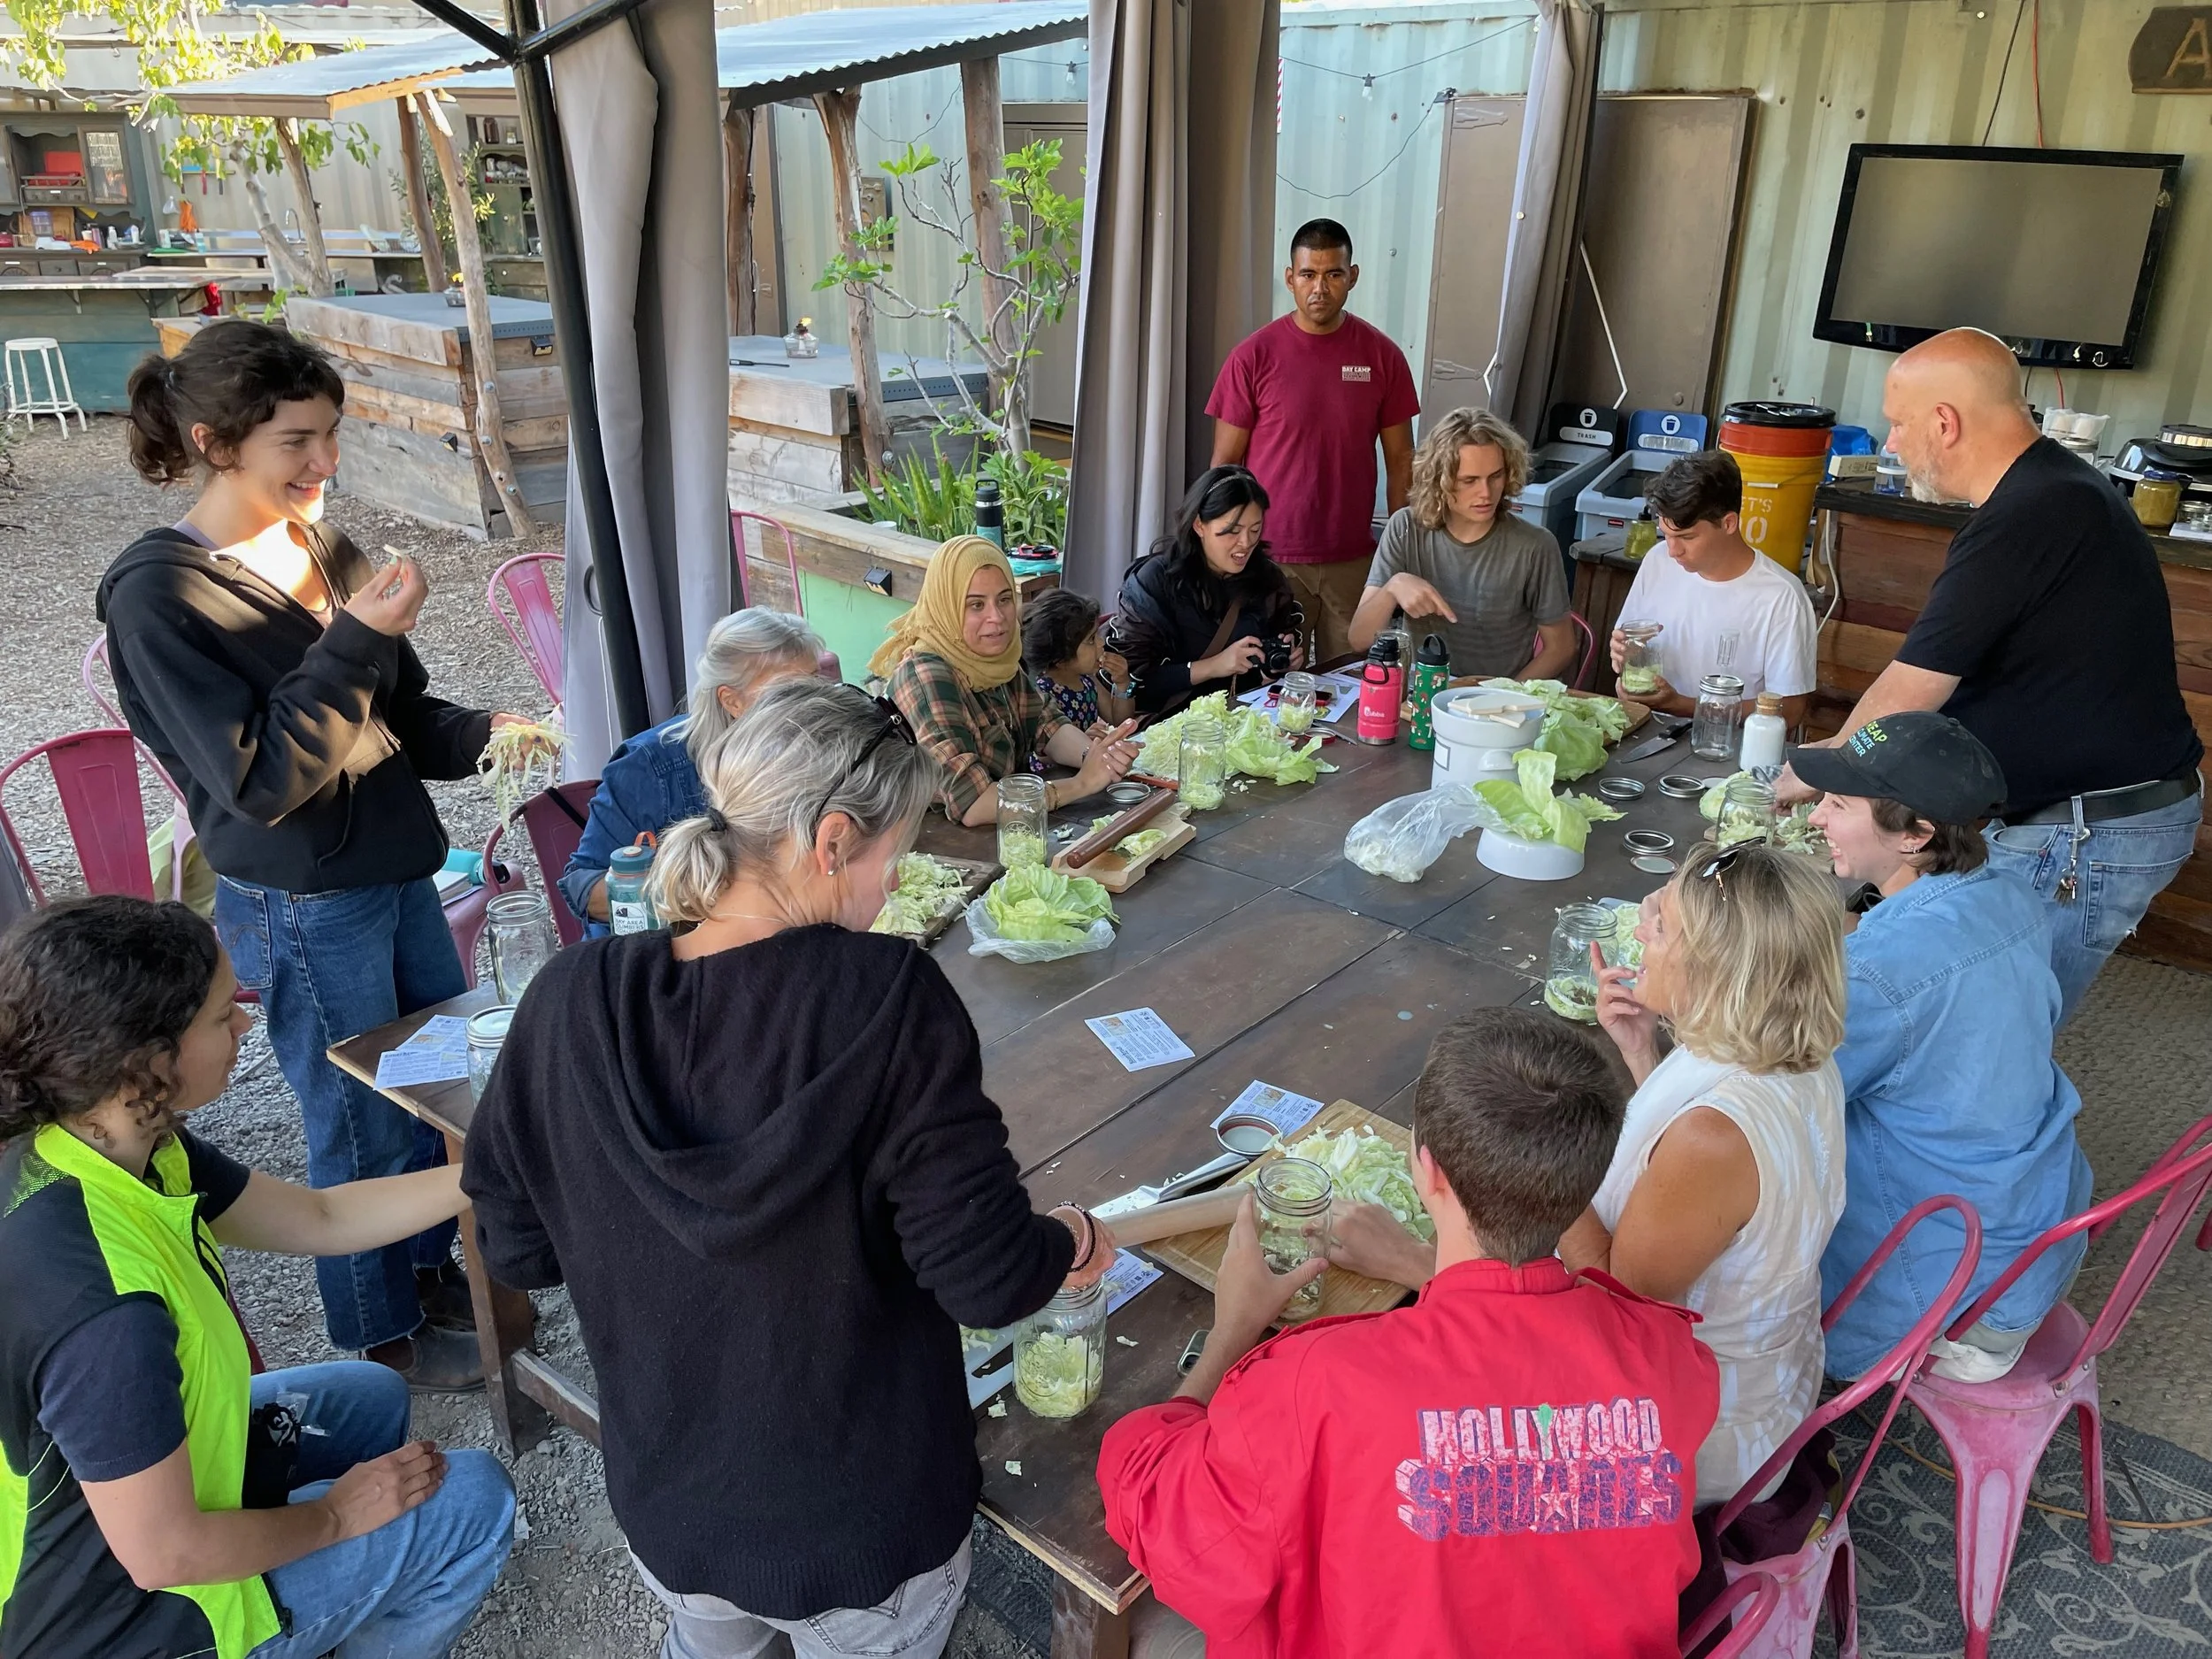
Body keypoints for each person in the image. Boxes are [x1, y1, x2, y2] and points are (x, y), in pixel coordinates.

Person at [462, 680, 1118, 1659]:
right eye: (896, 856)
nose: (894, 885)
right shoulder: (891, 999)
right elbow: (986, 1280)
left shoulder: (566, 997)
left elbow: (518, 1247)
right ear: (833, 842)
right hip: (865, 1531)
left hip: (673, 1508)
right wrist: (1069, 1240)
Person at [98, 319, 542, 1390]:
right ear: (213, 443)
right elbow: (259, 779)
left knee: (436, 1091)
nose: (324, 461)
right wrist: (354, 639)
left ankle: (427, 1267)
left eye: (332, 432)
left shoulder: (323, 550)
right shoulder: (159, 596)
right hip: (303, 899)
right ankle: (378, 1331)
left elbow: (398, 714)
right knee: (357, 1116)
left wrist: (489, 734)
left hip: (397, 873)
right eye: (296, 440)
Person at [1097, 1009, 1720, 1658]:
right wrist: (1413, 1263)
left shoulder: (1322, 1382)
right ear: (1584, 1185)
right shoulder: (1669, 1357)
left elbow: (1152, 1502)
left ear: (1428, 1171)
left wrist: (1232, 1330)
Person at [0, 896, 515, 1659]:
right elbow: (165, 1552)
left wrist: (498, 1170)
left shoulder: (112, 1143)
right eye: (220, 1016)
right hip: (130, 1621)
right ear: (144, 1062)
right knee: (473, 1499)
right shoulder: (103, 1308)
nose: (246, 1023)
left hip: (125, 1510)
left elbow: (321, 1218)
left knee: (369, 1398)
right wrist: (337, 1516)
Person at [1333, 844, 1846, 1507]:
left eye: (1662, 926)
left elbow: (1612, 1314)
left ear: (1715, 972)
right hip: (1769, 1363)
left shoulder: (1716, 1139)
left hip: (1699, 1425)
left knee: (1395, 1444)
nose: (1640, 929)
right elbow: (1682, 1175)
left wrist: (1428, 1251)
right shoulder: (1793, 1050)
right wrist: (1642, 1052)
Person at [1780, 327, 2203, 1021]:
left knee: (1991, 1023)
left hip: (2089, 826)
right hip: (2077, 810)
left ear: (1945, 422)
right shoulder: (2052, 490)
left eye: (1898, 424)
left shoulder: (2032, 512)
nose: (1892, 444)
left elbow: (1916, 684)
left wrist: (1825, 771)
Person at [1795, 713, 2092, 1383]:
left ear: (1916, 834)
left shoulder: (1877, 976)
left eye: (1839, 804)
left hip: (1960, 1291)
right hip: (2035, 1231)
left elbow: (1772, 1100)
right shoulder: (2008, 891)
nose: (1816, 817)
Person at [1208, 219, 1419, 662]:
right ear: (1290, 278)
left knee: (1356, 679)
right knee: (1272, 684)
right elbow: (1225, 466)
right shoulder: (1252, 357)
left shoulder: (1383, 357)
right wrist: (1224, 549)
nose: (1319, 288)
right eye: (1308, 274)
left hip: (1354, 560)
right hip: (1272, 556)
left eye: (1333, 274)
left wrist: (1399, 551)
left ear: (1352, 276)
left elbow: (1402, 460)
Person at [560, 608, 823, 934]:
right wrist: (689, 890)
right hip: (661, 954)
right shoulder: (650, 767)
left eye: (815, 685)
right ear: (732, 701)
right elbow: (584, 887)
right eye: (787, 693)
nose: (812, 706)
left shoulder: (818, 749)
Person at [875, 534, 1138, 826]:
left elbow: (1047, 725)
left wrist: (1098, 756)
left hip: (1008, 829)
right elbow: (972, 804)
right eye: (976, 605)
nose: (997, 617)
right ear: (946, 606)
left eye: (1004, 599)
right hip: (937, 842)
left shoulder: (996, 659)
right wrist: (1082, 784)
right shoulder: (926, 675)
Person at [1348, 408, 1577, 681]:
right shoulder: (1406, 527)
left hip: (1496, 694)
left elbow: (1561, 648)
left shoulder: (1536, 545)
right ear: (1440, 480)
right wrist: (1392, 588)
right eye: (1469, 481)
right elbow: (1359, 639)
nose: (1486, 493)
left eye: (1496, 476)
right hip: (1422, 691)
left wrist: (1502, 696)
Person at [1605, 451, 1816, 726]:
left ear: (1728, 523)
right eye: (1665, 534)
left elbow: (1790, 709)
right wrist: (1625, 655)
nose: (1673, 550)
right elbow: (1630, 645)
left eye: (1686, 537)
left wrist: (1683, 705)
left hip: (1729, 743)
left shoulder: (1781, 596)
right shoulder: (1658, 560)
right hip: (1648, 728)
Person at [1113, 465, 1305, 718]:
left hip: (1242, 719)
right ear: (1199, 525)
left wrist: (1277, 665)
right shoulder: (1154, 581)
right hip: (1171, 725)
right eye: (1232, 531)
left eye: (1255, 530)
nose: (1246, 543)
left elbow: (1265, 673)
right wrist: (1214, 666)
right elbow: (1133, 682)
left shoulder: (1268, 579)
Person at [1021, 586, 1135, 733]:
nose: (1101, 643)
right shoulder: (1044, 695)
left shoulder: (1087, 680)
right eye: (1091, 639)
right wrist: (1083, 741)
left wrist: (1122, 684)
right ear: (1061, 658)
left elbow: (1119, 722)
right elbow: (1047, 746)